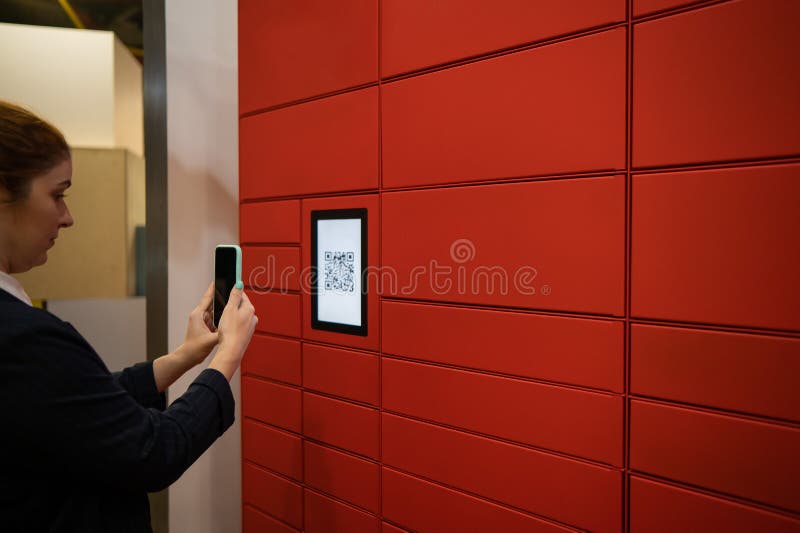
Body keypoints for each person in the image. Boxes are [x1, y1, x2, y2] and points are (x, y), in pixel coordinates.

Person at [0, 99, 258, 532]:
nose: (68, 217)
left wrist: (182, 358)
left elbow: (77, 409)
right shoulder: (22, 338)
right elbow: (154, 451)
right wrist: (227, 356)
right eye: (57, 195)